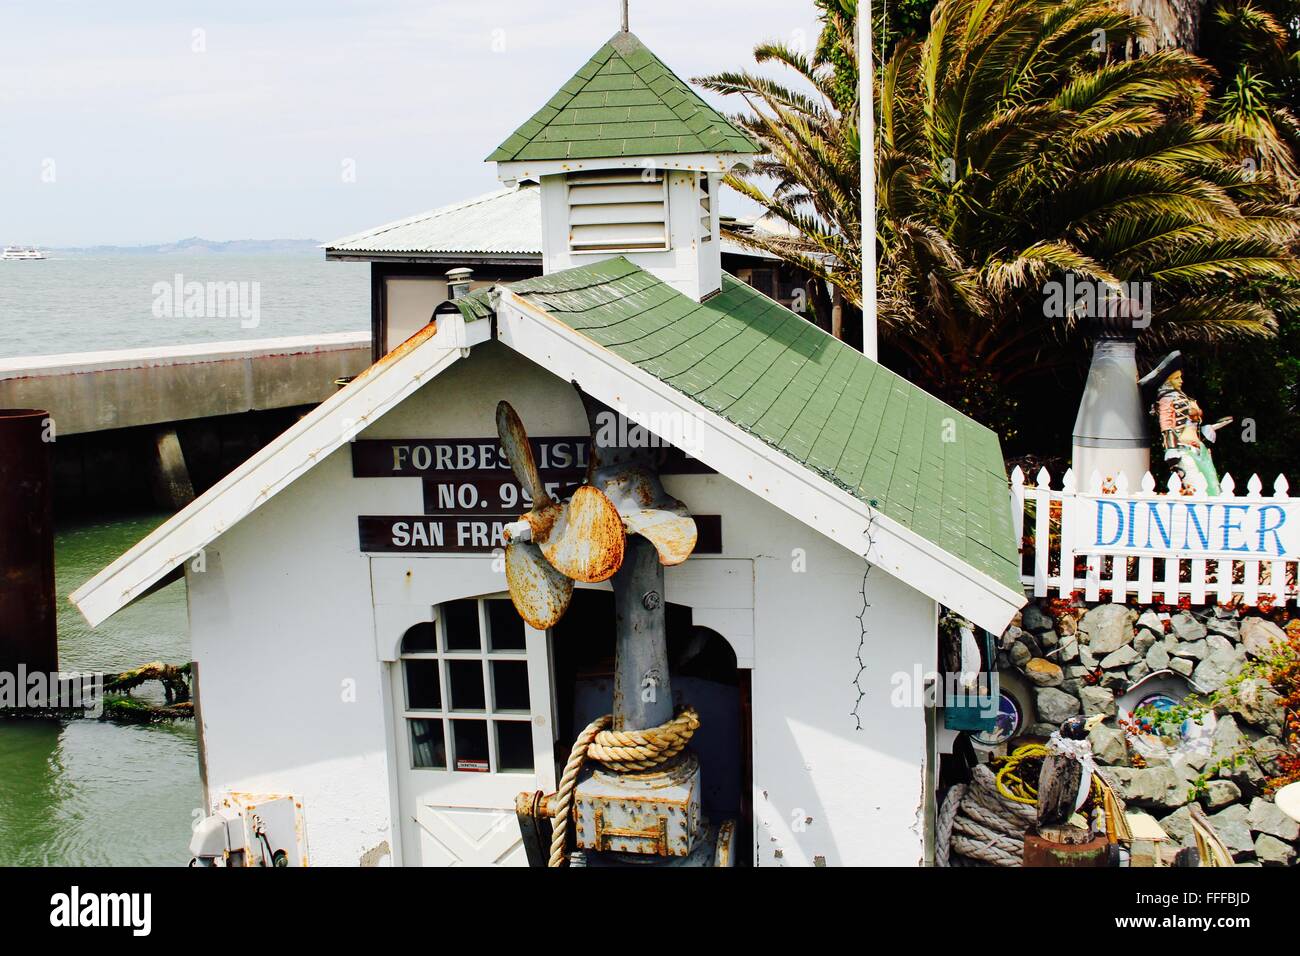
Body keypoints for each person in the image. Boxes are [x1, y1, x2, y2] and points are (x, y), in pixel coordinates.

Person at [1139, 351, 1231, 495]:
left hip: (1197, 448)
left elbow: (1189, 423)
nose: (1181, 381)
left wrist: (1207, 429)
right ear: (1167, 381)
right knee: (1195, 485)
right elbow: (1167, 424)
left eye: (1180, 377)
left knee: (1213, 485)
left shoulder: (1184, 397)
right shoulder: (1166, 400)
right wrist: (1171, 448)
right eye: (1176, 378)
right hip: (1182, 449)